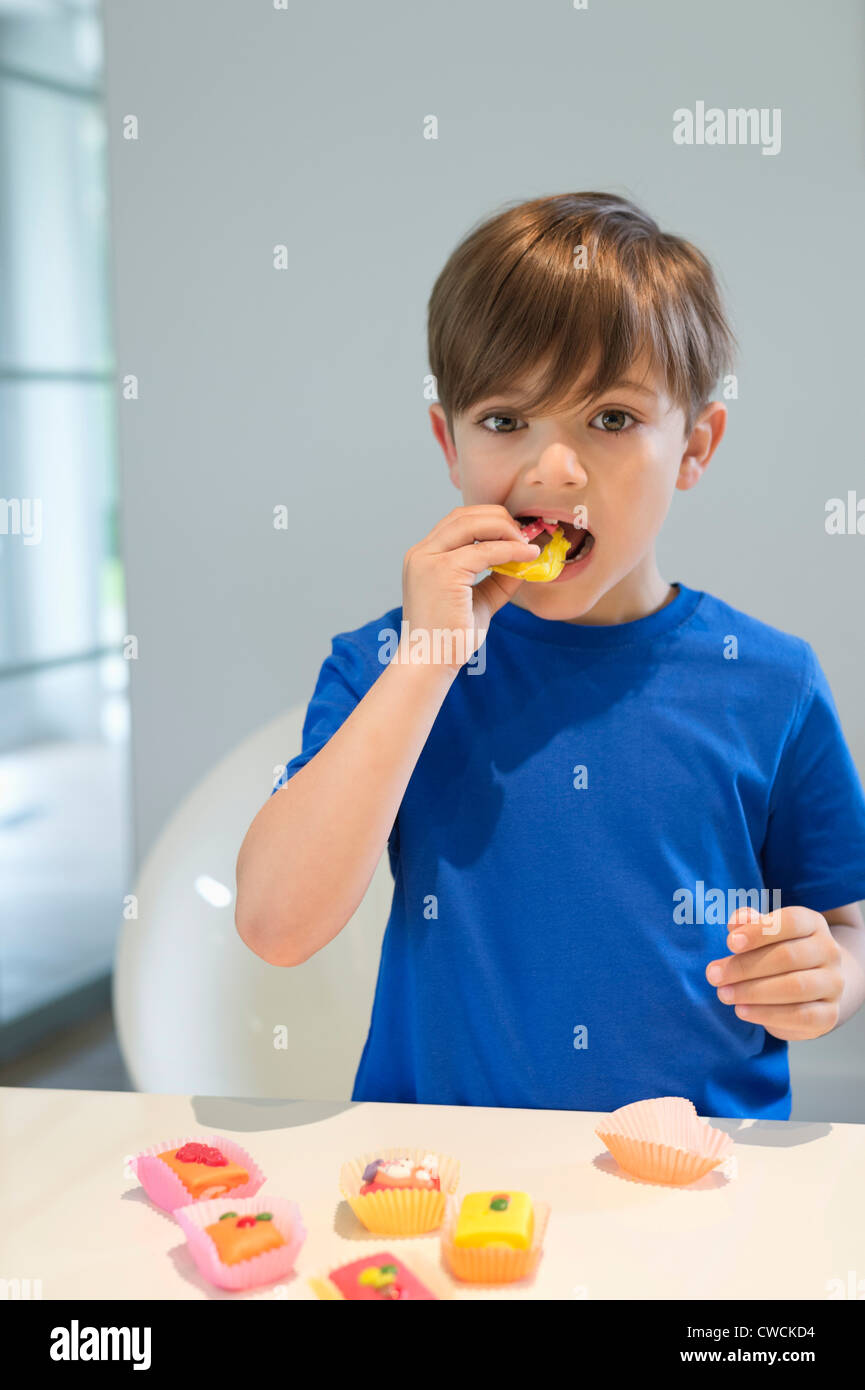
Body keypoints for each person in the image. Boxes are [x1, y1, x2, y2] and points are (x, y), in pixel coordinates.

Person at [235, 192, 865, 1119]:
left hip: (699, 1182)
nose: (554, 469)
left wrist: (831, 976)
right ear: (448, 443)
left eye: (610, 420)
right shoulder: (387, 664)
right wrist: (427, 659)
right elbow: (276, 926)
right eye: (504, 421)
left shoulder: (767, 680)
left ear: (693, 445)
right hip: (445, 1175)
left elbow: (846, 922)